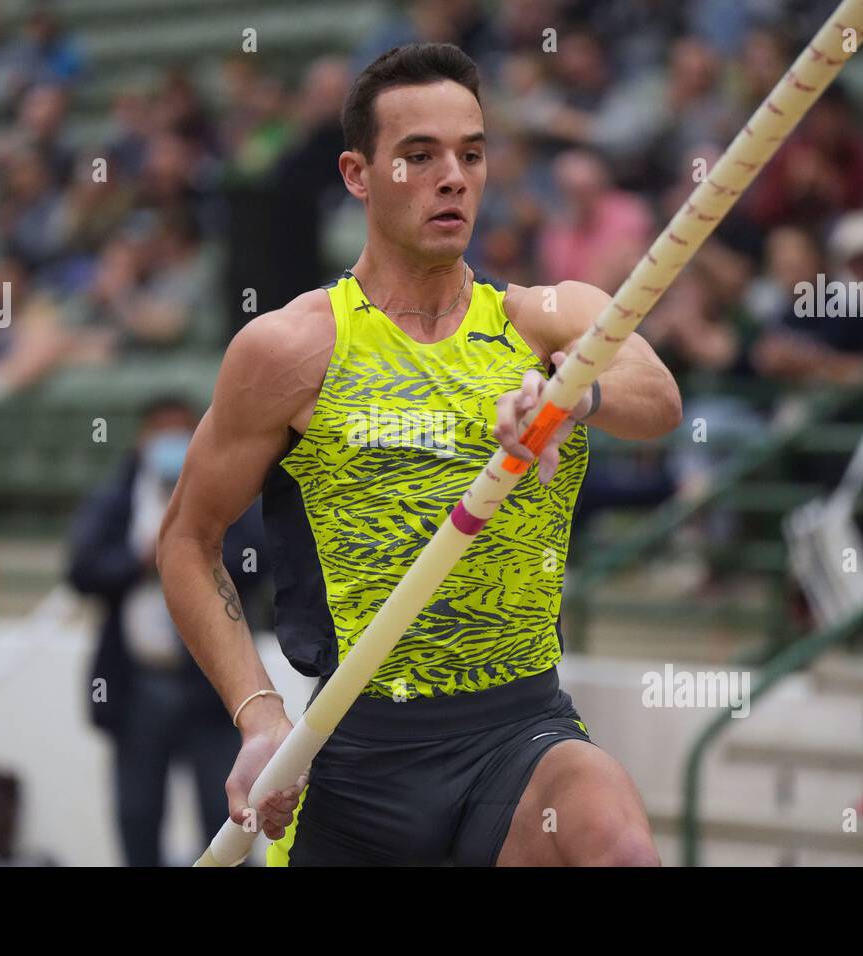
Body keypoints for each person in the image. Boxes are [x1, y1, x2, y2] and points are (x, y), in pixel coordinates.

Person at [158, 43, 682, 866]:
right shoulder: (293, 349)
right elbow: (187, 541)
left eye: (471, 154)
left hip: (519, 736)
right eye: (419, 156)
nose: (454, 177)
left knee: (614, 840)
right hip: (349, 762)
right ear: (358, 174)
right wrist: (260, 715)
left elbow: (658, 399)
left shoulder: (549, 319)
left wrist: (575, 397)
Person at [68, 397, 261, 866]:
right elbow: (82, 569)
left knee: (225, 815)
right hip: (138, 685)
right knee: (138, 814)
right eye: (161, 431)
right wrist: (146, 558)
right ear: (141, 439)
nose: (171, 443)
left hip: (212, 687)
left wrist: (187, 557)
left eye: (183, 431)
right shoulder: (115, 499)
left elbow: (255, 562)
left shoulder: (225, 492)